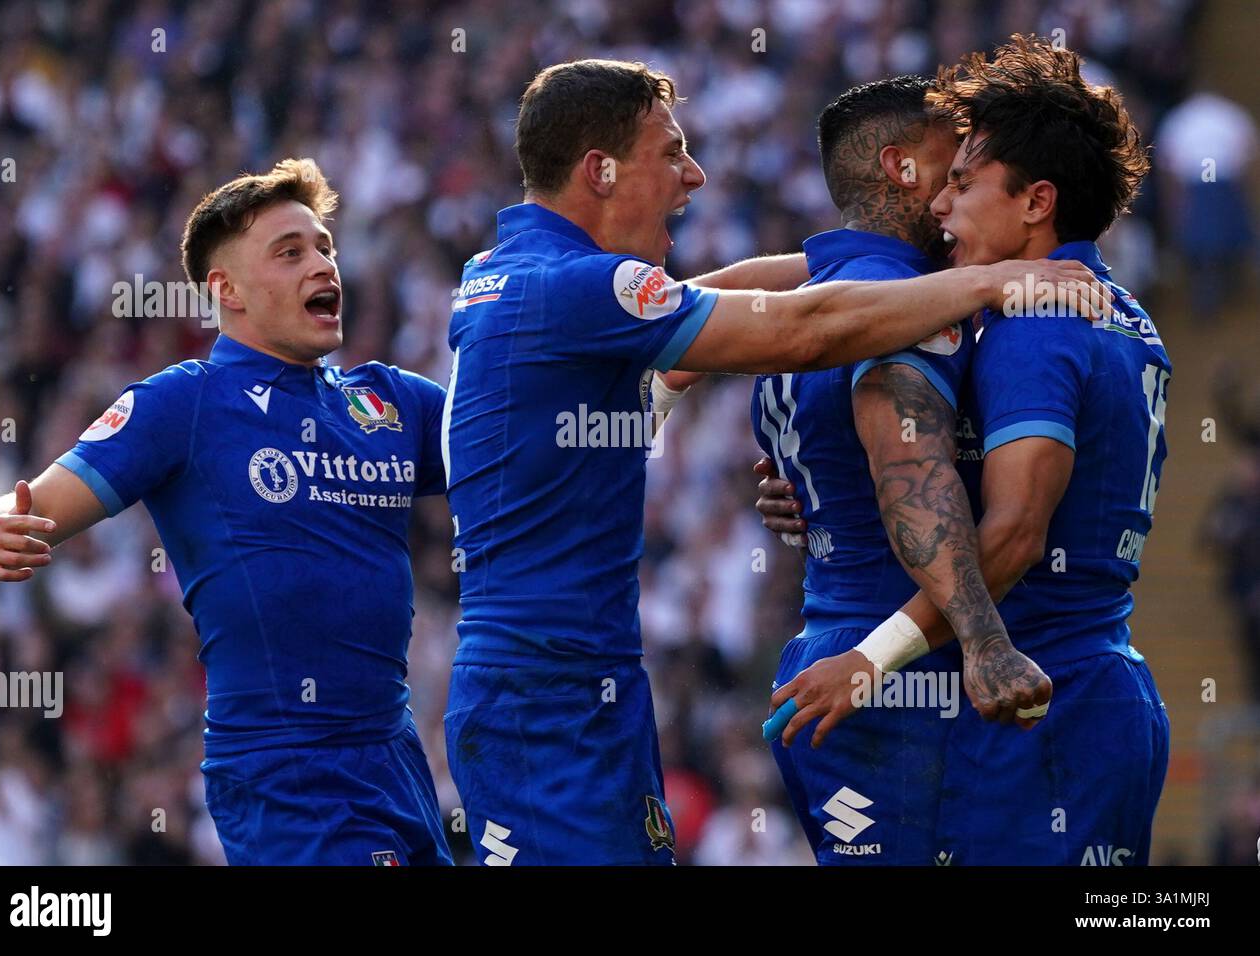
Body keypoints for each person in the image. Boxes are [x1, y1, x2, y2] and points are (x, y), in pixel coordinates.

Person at [440, 57, 1108, 865]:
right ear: (601, 170)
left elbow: (771, 300)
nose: (696, 173)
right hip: (546, 695)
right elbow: (805, 329)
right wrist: (992, 279)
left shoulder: (510, 274)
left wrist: (815, 466)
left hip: (576, 680)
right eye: (671, 151)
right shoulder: (581, 287)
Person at [0, 159, 454, 866]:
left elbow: (520, 447)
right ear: (226, 290)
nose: (322, 265)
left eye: (325, 247)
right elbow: (32, 504)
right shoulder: (183, 404)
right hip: (286, 770)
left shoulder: (389, 401)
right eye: (290, 253)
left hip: (395, 755)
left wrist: (643, 377)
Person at [760, 36, 1171, 865]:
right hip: (1093, 690)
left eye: (963, 181)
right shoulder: (1118, 309)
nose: (942, 206)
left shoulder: (1033, 325)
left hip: (1044, 706)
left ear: (1035, 202)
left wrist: (870, 660)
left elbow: (1018, 530)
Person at [750, 75, 1050, 867]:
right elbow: (909, 475)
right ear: (900, 169)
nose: (960, 190)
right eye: (953, 166)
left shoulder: (816, 299)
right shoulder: (903, 305)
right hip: (897, 674)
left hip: (830, 649)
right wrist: (986, 643)